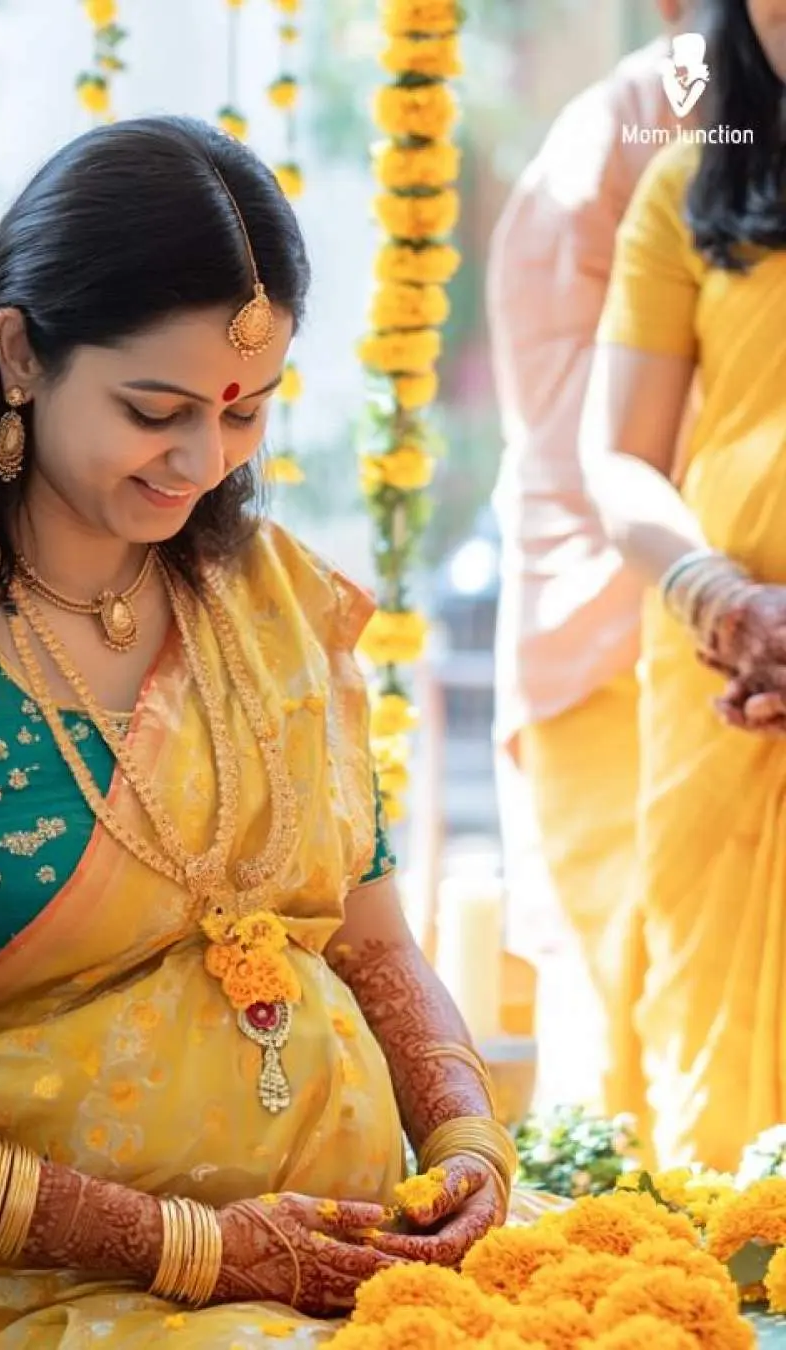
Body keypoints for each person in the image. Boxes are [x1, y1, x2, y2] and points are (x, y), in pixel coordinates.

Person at [0, 116, 515, 1348]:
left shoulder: (269, 598)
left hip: (343, 1270)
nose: (202, 460)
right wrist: (184, 1248)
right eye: (158, 409)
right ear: (20, 354)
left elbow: (371, 942)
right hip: (30, 1294)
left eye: (246, 413)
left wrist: (467, 1145)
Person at [580, 0, 786, 1171]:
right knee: (714, 1072)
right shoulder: (690, 186)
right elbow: (619, 456)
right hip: (724, 679)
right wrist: (720, 597)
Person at [487, 0, 696, 1131]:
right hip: (609, 610)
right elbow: (585, 428)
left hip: (701, 601)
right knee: (617, 959)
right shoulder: (630, 130)